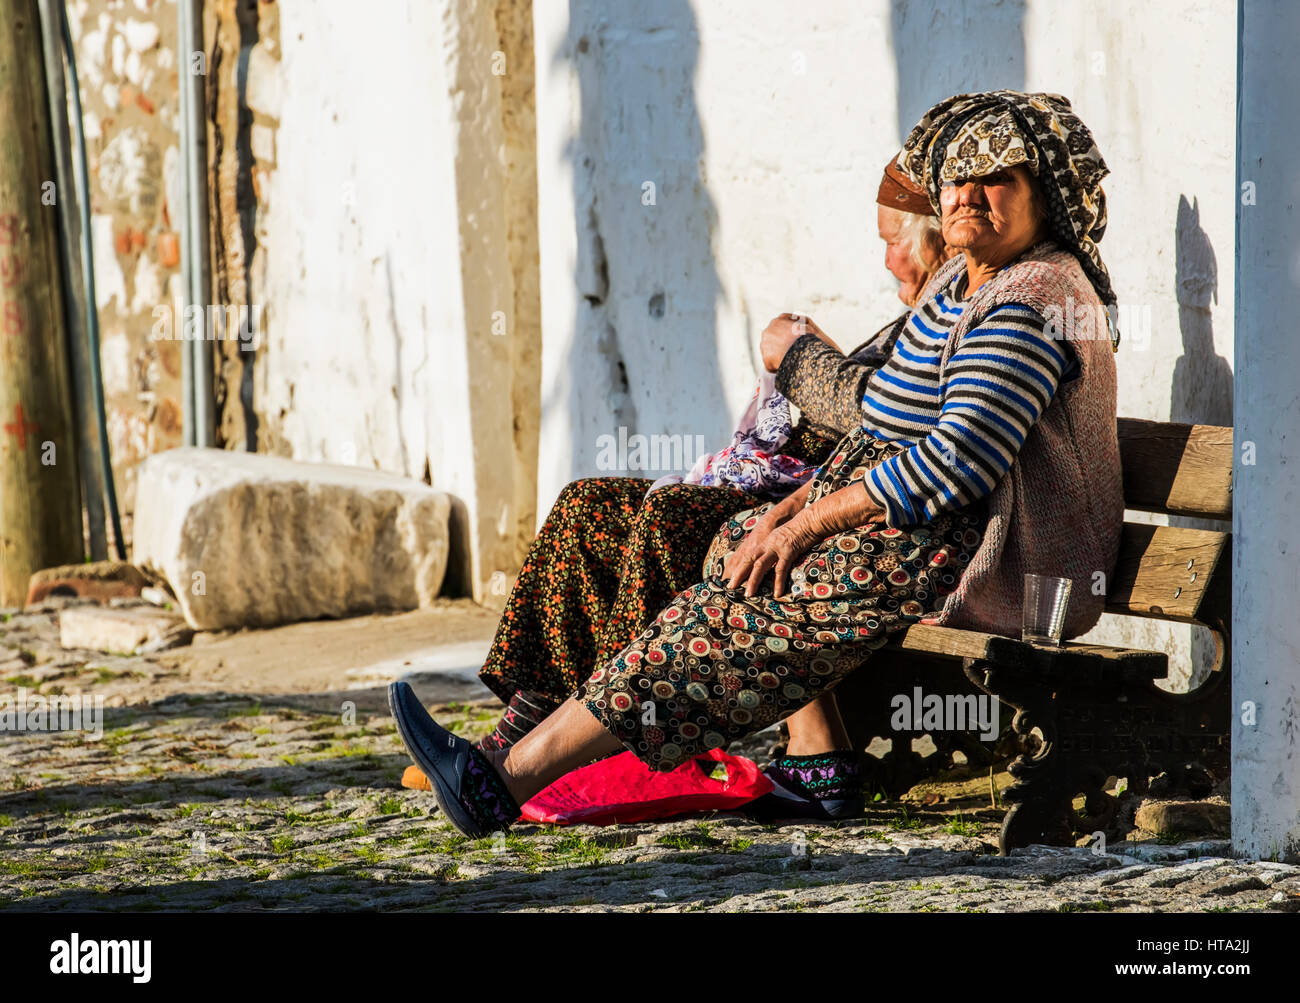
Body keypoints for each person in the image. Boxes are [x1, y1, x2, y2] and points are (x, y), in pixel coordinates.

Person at [390, 88, 1124, 839]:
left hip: (973, 554)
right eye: (956, 179)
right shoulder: (960, 284)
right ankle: (815, 763)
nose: (969, 195)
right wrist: (783, 514)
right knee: (732, 548)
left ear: (1046, 194)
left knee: (716, 627)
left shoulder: (1033, 299)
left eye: (996, 178)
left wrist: (805, 525)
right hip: (906, 530)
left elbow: (952, 466)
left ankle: (504, 777)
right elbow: (880, 424)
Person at [400, 161, 952, 820]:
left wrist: (802, 353)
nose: (888, 260)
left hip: (835, 513)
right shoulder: (921, 320)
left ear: (939, 242)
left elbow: (882, 418)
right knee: (588, 504)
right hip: (799, 495)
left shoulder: (957, 324)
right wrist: (819, 357)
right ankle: (524, 724)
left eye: (897, 239)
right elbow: (864, 403)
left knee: (671, 516)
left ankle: (596, 751)